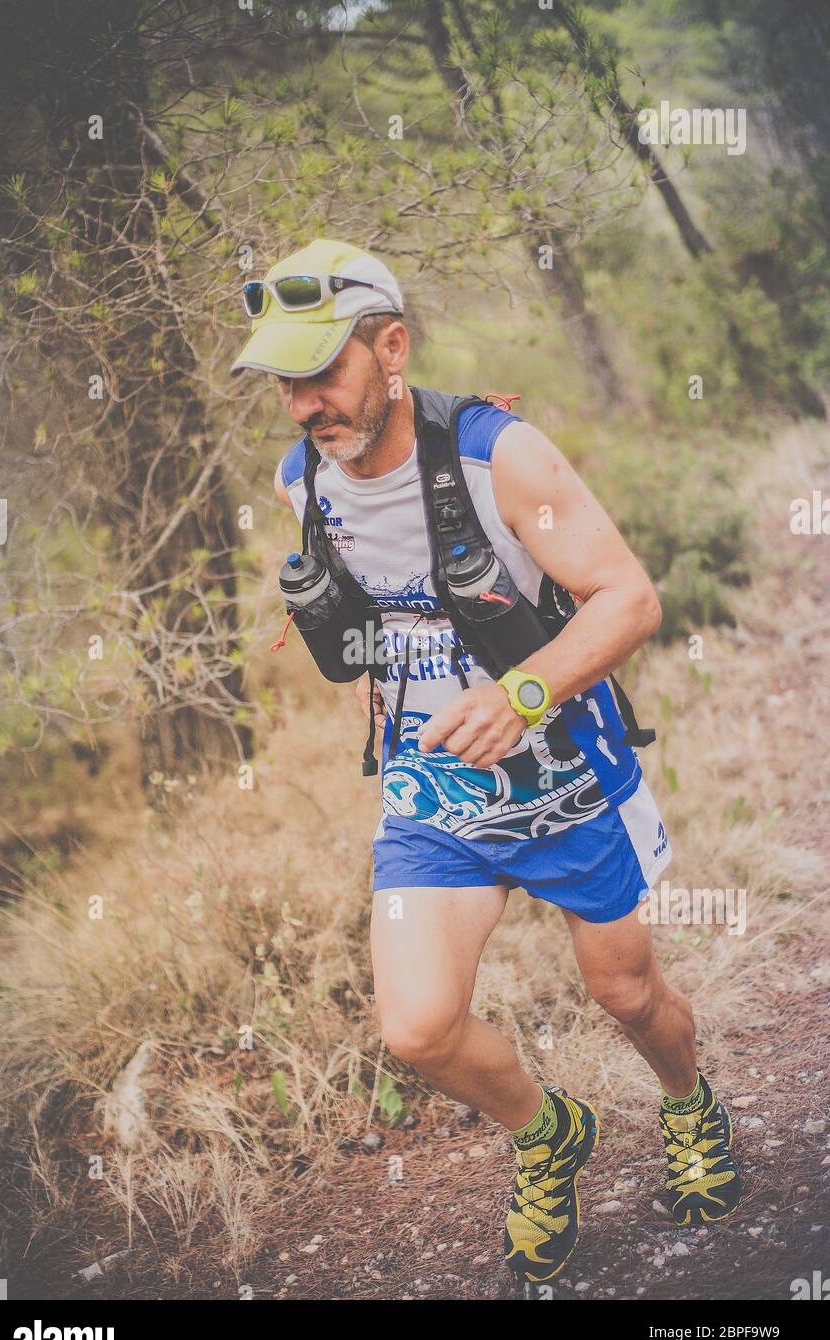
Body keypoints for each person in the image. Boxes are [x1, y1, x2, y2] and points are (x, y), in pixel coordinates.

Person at [231, 237, 743, 1284]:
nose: (303, 406)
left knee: (629, 996)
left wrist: (521, 693)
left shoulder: (498, 456)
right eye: (288, 382)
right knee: (418, 1028)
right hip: (434, 791)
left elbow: (630, 599)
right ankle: (548, 1131)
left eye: (324, 373)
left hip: (562, 772)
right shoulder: (303, 482)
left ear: (392, 349)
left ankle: (691, 1106)